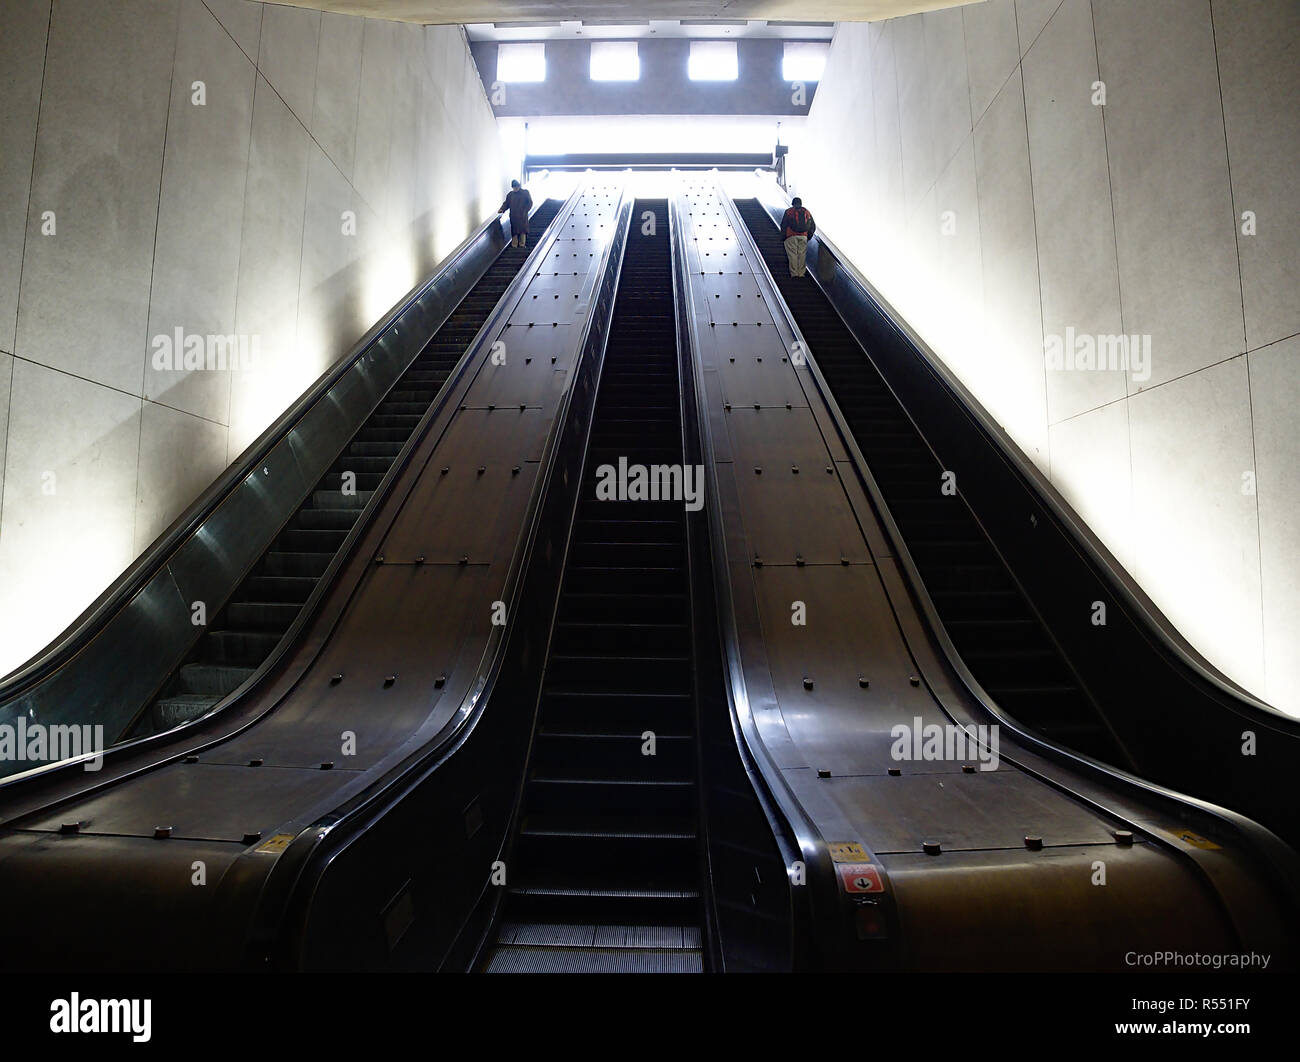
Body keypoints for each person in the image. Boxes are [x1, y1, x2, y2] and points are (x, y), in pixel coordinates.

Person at [781, 197, 816, 278]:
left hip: (791, 236)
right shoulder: (806, 212)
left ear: (793, 203)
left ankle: (794, 274)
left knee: (792, 254)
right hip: (803, 236)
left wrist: (783, 237)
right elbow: (813, 226)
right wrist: (808, 237)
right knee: (802, 255)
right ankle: (801, 274)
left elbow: (784, 225)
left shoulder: (789, 211)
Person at [498, 180, 533, 249]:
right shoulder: (510, 194)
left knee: (523, 230)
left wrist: (525, 211)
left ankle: (522, 244)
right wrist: (502, 209)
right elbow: (506, 203)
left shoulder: (525, 193)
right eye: (514, 187)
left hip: (522, 215)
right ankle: (514, 244)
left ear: (519, 186)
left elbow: (530, 203)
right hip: (513, 216)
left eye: (516, 187)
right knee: (514, 231)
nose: (515, 189)